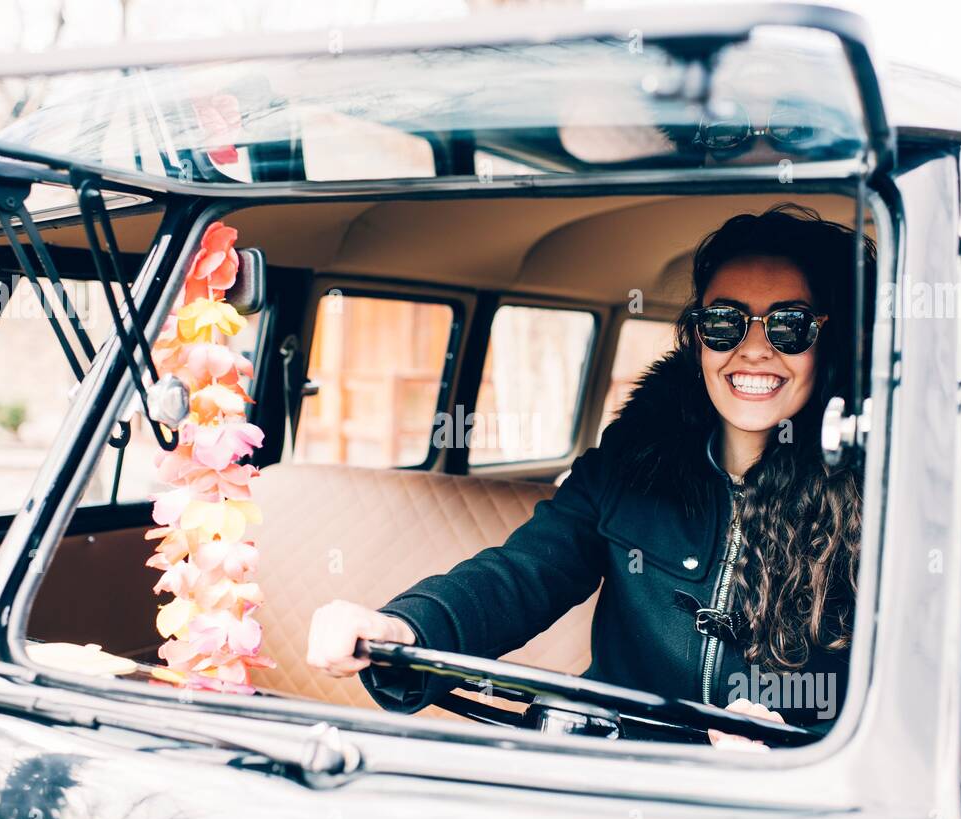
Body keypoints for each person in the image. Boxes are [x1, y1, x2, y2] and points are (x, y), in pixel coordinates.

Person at [306, 204, 871, 747]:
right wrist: (406, 629)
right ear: (698, 334)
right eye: (723, 322)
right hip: (611, 770)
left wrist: (796, 749)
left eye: (788, 326)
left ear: (830, 340)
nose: (752, 350)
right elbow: (526, 571)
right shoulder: (633, 460)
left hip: (782, 804)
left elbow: (907, 687)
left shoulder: (881, 495)